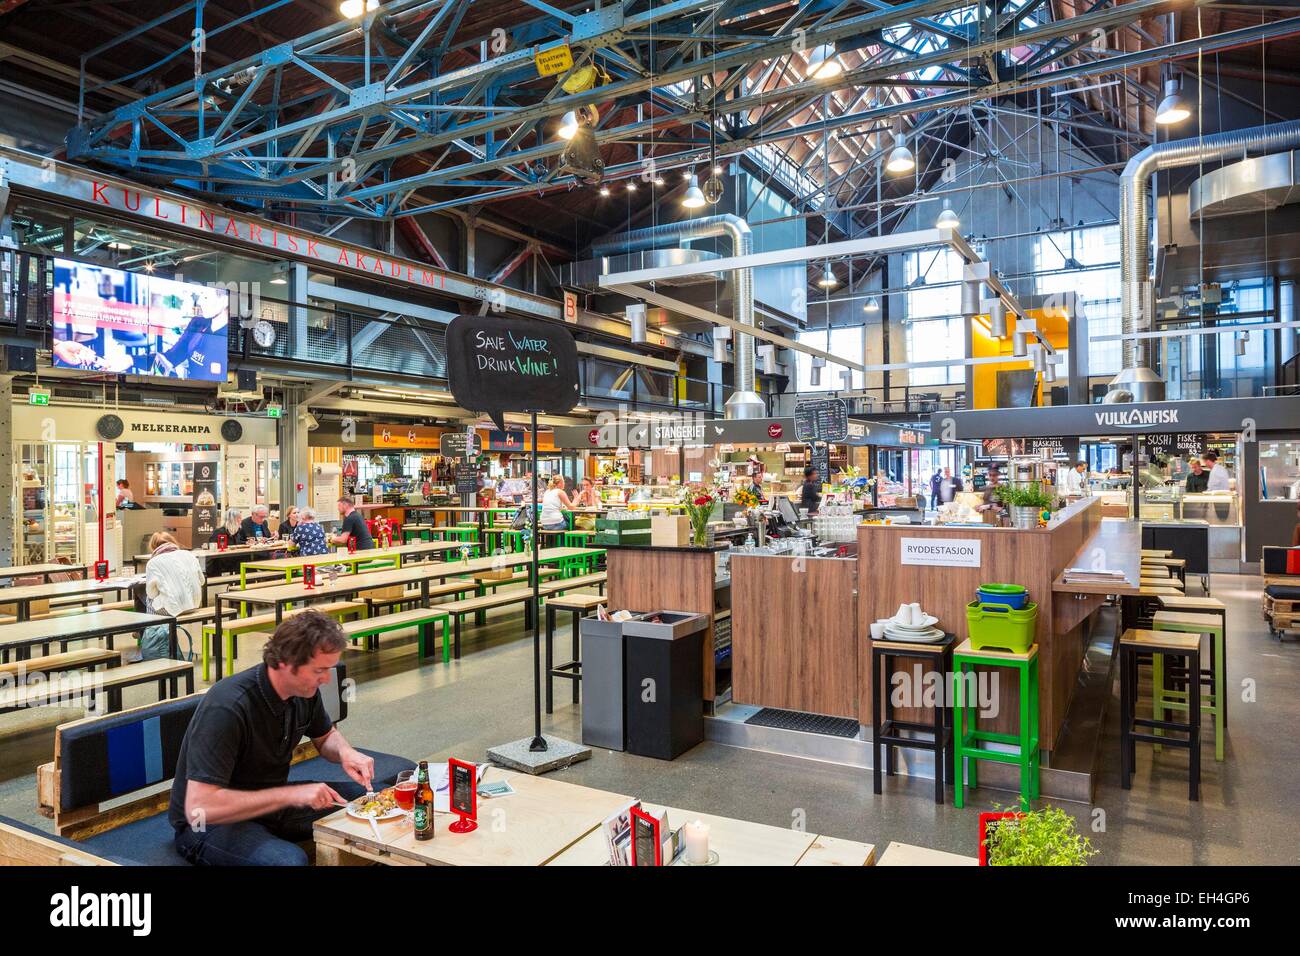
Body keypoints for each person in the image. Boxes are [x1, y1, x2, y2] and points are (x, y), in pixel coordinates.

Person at [169, 612, 393, 866]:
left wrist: (346, 753)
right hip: (208, 823)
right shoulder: (228, 707)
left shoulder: (304, 691)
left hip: (267, 802)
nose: (327, 679)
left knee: (376, 801)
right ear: (286, 663)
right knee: (288, 862)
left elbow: (326, 735)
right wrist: (292, 795)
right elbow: (201, 806)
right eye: (319, 670)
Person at [139, 531, 203, 660]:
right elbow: (202, 581)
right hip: (194, 603)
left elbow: (151, 593)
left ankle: (144, 633)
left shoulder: (154, 562)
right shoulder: (189, 555)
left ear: (153, 547)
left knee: (147, 600)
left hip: (172, 610)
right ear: (173, 542)